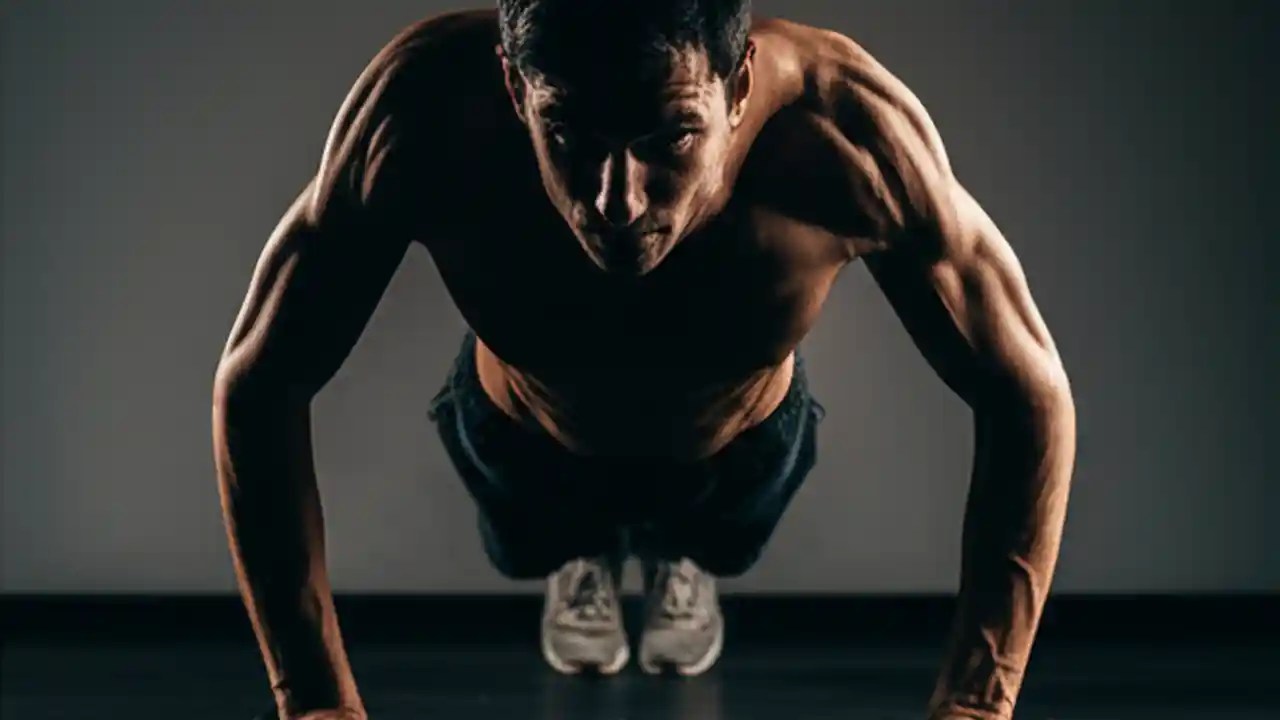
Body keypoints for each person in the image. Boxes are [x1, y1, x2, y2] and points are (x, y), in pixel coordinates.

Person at [211, 2, 1077, 719]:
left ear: (736, 88)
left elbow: (1027, 387)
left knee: (718, 540)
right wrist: (313, 704)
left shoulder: (841, 132)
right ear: (515, 89)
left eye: (669, 140)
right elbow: (259, 377)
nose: (617, 202)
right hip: (525, 437)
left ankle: (671, 560)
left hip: (737, 450)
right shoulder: (422, 108)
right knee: (530, 544)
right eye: (571, 136)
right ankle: (591, 559)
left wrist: (979, 704)